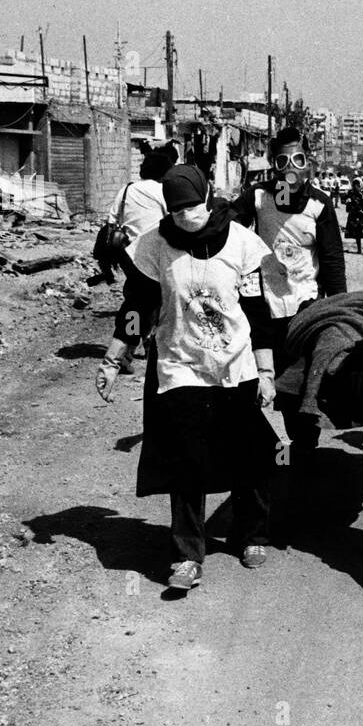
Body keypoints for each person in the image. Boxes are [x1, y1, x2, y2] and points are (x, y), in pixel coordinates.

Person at [95, 165, 280, 590]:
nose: (187, 216)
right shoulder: (155, 245)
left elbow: (257, 314)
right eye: (177, 210)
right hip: (180, 365)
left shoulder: (241, 242)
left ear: (208, 196)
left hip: (236, 365)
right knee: (186, 460)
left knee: (249, 453)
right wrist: (112, 358)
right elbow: (137, 306)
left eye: (193, 206)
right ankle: (186, 554)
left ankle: (251, 533)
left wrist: (266, 371)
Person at [235, 127, 348, 463]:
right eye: (282, 160)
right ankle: (284, 438)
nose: (290, 168)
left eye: (297, 159)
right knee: (274, 374)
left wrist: (336, 306)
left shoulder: (319, 204)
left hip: (306, 302)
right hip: (267, 302)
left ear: (308, 161)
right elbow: (230, 227)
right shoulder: (258, 198)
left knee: (301, 374)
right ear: (273, 162)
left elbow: (331, 260)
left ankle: (304, 441)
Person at [89, 146, 176, 286]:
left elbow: (112, 221)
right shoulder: (162, 191)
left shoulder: (127, 189)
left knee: (136, 287)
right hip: (155, 254)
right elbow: (173, 218)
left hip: (127, 253)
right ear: (164, 172)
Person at [344, 177, 363, 255]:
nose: (356, 186)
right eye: (354, 184)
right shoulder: (350, 192)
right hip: (354, 214)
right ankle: (359, 249)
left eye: (357, 184)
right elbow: (347, 202)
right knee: (357, 232)